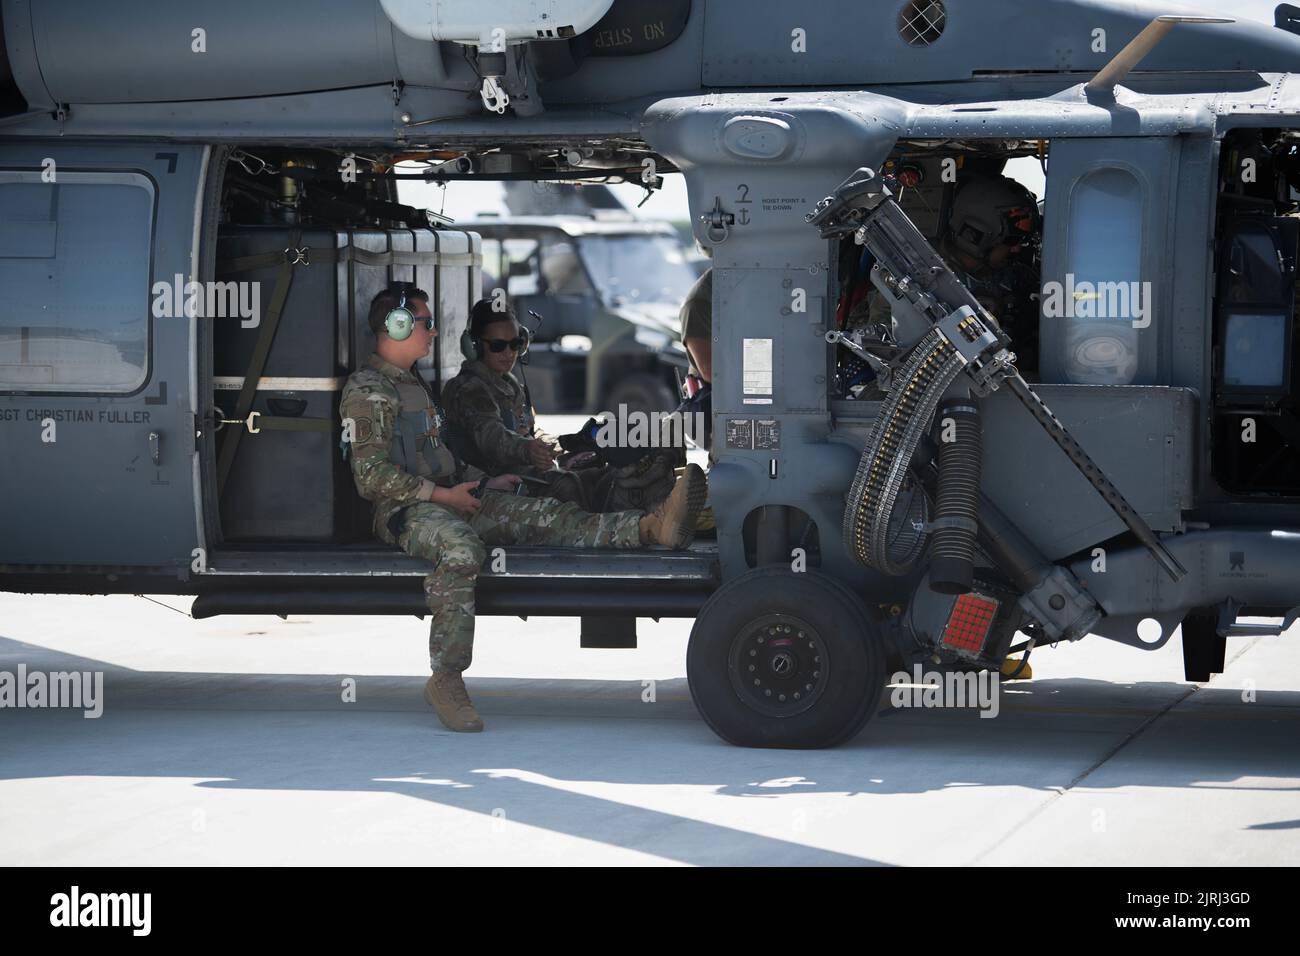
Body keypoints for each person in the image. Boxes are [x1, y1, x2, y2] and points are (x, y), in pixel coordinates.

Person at [340, 283, 707, 733]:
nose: (433, 333)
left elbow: (441, 458)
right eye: (424, 323)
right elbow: (371, 478)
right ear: (396, 326)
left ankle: (652, 528)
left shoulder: (412, 384)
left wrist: (483, 482)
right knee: (461, 552)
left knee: (549, 515)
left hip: (451, 494)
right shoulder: (369, 390)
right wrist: (444, 497)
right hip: (405, 510)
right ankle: (446, 678)